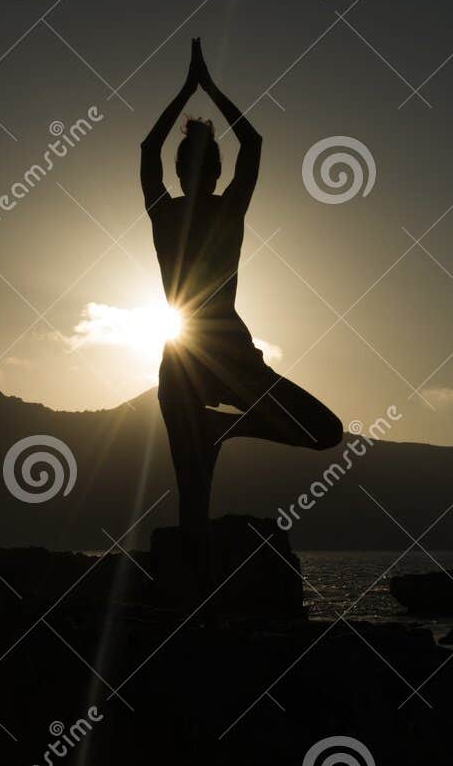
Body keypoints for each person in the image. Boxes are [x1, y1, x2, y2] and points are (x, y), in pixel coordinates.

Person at [141, 38, 343, 552]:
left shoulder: (166, 214)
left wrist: (188, 90)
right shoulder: (223, 212)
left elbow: (149, 151)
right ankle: (218, 432)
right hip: (214, 353)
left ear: (191, 171)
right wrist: (208, 89)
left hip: (190, 356)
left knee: (194, 504)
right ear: (210, 171)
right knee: (322, 432)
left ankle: (219, 430)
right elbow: (251, 143)